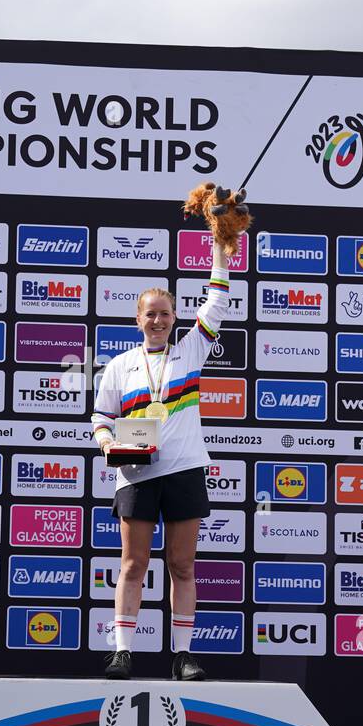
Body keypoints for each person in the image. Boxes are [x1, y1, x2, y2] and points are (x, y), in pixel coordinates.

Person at [90, 239, 234, 682]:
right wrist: (106, 444)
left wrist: (220, 252)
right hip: (136, 473)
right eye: (150, 313)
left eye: (165, 313)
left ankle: (183, 655)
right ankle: (123, 652)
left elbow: (218, 300)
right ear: (138, 320)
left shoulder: (191, 350)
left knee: (182, 565)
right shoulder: (119, 366)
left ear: (175, 319)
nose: (157, 320)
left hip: (185, 468)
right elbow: (101, 415)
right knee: (133, 564)